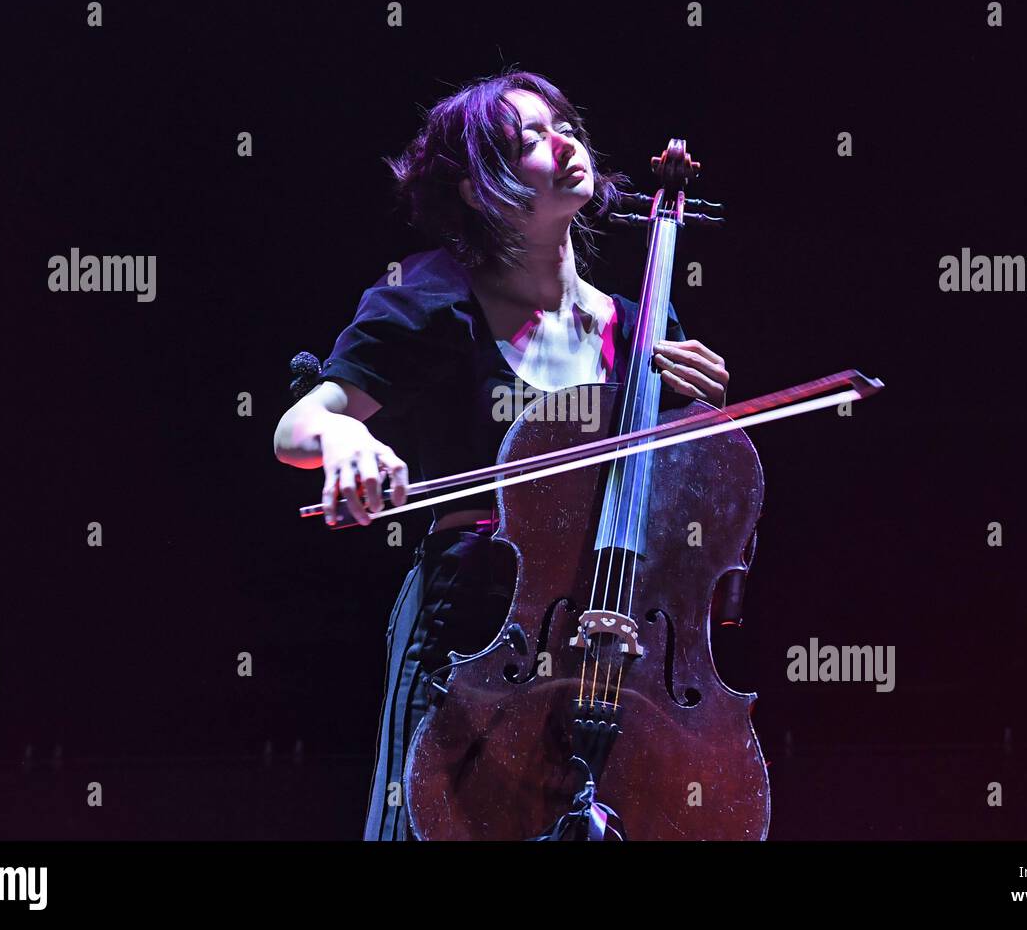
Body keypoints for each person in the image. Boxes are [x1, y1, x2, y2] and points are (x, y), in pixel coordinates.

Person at [272, 68, 730, 840]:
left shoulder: (641, 324)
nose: (564, 141)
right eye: (530, 140)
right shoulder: (436, 296)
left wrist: (705, 419)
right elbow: (297, 427)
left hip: (614, 649)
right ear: (480, 190)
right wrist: (347, 437)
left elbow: (680, 515)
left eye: (563, 125)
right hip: (477, 631)